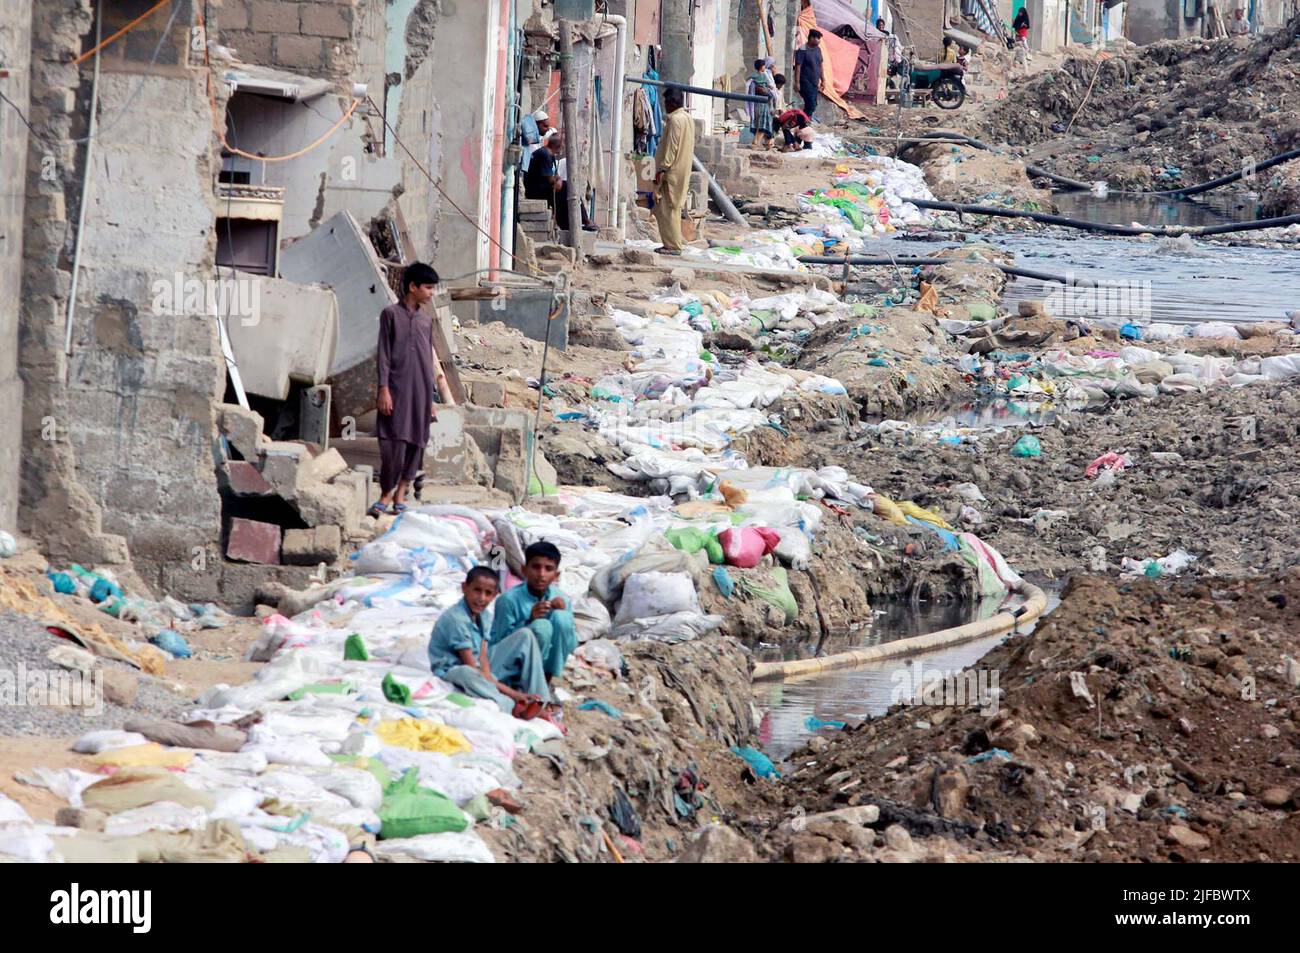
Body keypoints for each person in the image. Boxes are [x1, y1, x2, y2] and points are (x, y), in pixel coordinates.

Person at [372, 262, 444, 518]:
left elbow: (427, 359)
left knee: (417, 442)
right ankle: (385, 492)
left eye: (434, 288)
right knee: (393, 444)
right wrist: (383, 388)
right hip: (396, 389)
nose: (432, 293)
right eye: (428, 287)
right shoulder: (390, 315)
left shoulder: (426, 321)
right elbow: (383, 355)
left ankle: (402, 493)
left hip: (421, 392)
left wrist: (432, 397)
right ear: (412, 287)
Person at [428, 566, 550, 716]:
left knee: (526, 635)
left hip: (479, 669)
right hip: (454, 670)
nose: (481, 598)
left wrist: (489, 677)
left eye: (488, 593)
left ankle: (539, 702)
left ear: (494, 595)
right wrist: (512, 694)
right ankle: (511, 705)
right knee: (467, 673)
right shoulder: (456, 619)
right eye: (477, 590)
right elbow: (471, 667)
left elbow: (483, 657)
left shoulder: (484, 615)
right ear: (464, 588)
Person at [491, 542, 578, 689]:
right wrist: (529, 620)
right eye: (536, 567)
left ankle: (545, 681)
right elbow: (500, 642)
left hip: (544, 667)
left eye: (548, 569)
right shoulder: (508, 600)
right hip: (510, 665)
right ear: (524, 570)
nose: (541, 574)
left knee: (561, 619)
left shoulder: (562, 599)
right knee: (541, 627)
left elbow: (571, 643)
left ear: (556, 575)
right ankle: (522, 684)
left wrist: (565, 615)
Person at [652, 85, 695, 255]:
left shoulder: (676, 120)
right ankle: (671, 244)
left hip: (672, 171)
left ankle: (673, 245)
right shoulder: (687, 118)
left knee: (667, 209)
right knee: (672, 208)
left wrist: (662, 169)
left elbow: (672, 147)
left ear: (671, 102)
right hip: (681, 169)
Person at [794, 29, 824, 119]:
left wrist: (823, 80)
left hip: (815, 82)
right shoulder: (802, 49)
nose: (818, 40)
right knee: (810, 103)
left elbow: (821, 65)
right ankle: (802, 121)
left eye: (819, 38)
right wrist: (797, 82)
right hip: (805, 81)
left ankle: (804, 120)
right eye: (817, 38)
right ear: (811, 38)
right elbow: (798, 66)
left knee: (813, 104)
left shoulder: (818, 49)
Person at [747, 58, 777, 149]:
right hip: (763, 105)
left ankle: (760, 143)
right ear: (762, 67)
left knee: (758, 125)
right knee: (763, 125)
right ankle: (755, 143)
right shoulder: (765, 76)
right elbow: (769, 88)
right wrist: (770, 91)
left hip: (756, 104)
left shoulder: (753, 77)